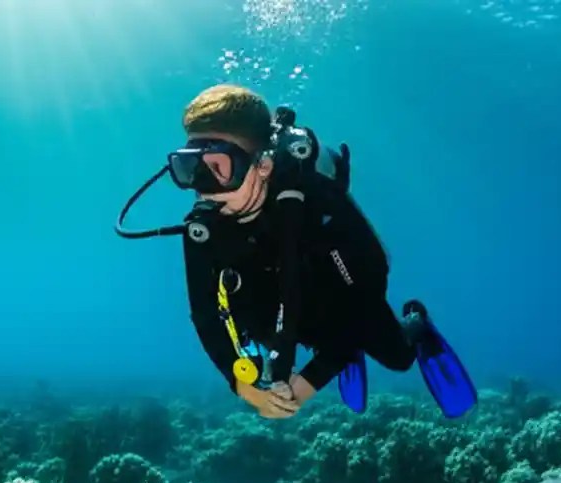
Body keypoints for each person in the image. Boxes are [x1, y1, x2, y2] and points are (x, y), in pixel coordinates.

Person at [115, 83, 477, 420]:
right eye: (190, 168)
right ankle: (335, 350)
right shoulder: (203, 228)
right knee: (268, 333)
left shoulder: (320, 207)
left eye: (217, 169)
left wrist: (308, 383)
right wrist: (243, 387)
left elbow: (366, 296)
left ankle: (416, 322)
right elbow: (205, 314)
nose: (203, 189)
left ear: (263, 165)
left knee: (397, 357)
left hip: (346, 299)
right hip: (283, 315)